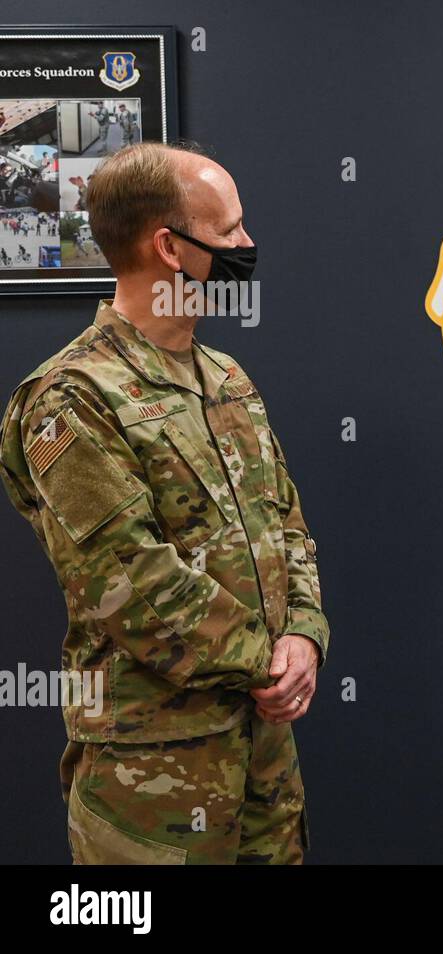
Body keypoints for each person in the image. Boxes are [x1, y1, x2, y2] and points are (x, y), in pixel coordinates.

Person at [0, 141, 329, 864]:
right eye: (230, 230)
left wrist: (305, 634)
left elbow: (287, 524)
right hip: (152, 777)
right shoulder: (71, 399)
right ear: (170, 248)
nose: (246, 244)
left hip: (264, 758)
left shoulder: (227, 378)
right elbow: (131, 584)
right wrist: (268, 663)